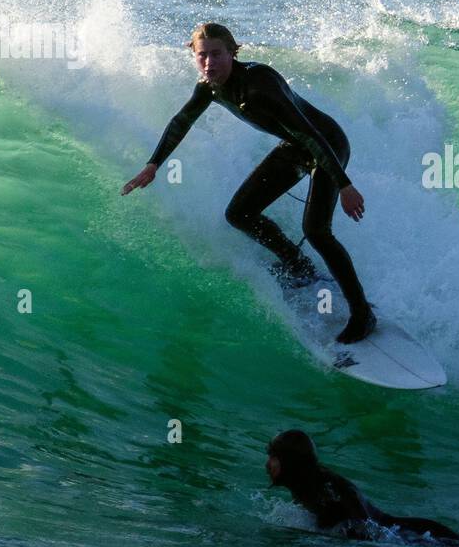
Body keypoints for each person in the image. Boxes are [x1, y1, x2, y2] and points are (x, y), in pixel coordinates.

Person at [122, 22, 375, 343]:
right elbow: (181, 122)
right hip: (295, 146)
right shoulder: (208, 87)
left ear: (232, 52)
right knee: (239, 213)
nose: (209, 63)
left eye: (216, 54)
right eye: (202, 56)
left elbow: (309, 134)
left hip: (326, 144)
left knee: (316, 230)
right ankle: (298, 266)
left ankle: (362, 314)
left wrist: (344, 185)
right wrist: (153, 164)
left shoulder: (260, 84)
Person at [265, 431, 459, 542]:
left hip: (410, 533)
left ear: (291, 461)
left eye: (274, 457)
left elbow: (365, 528)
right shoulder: (304, 483)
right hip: (403, 530)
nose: (268, 464)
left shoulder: (324, 487)